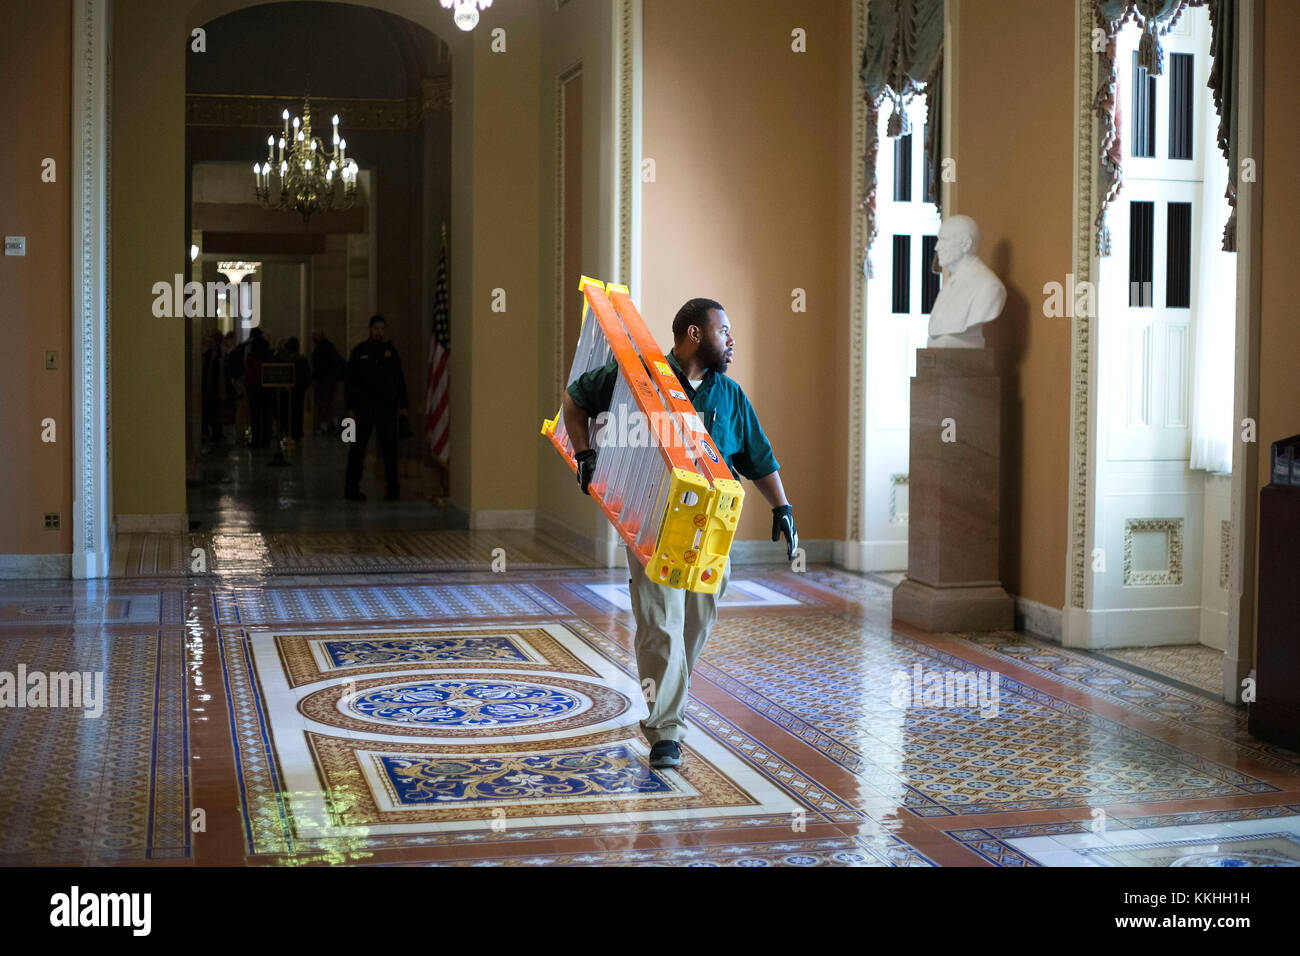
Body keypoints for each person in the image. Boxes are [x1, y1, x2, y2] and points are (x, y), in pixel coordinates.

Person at [560, 297, 798, 769]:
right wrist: (585, 453)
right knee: (659, 621)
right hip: (651, 519)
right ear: (694, 334)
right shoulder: (638, 375)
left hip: (711, 530)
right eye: (723, 330)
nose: (732, 340)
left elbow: (759, 457)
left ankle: (671, 697)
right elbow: (574, 399)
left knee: (693, 621)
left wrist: (783, 507)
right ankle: (666, 729)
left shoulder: (728, 395)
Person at [343, 315, 409, 501]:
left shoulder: (390, 352)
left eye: (382, 329)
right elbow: (350, 382)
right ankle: (351, 489)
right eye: (376, 328)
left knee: (389, 450)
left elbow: (399, 380)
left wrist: (403, 405)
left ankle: (393, 489)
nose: (379, 332)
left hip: (386, 409)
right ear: (370, 329)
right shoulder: (359, 351)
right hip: (362, 408)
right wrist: (349, 408)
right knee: (357, 449)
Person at [311, 330, 345, 434]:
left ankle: (325, 426)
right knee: (328, 404)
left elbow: (317, 366)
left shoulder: (320, 349)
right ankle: (332, 425)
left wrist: (313, 379)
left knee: (322, 404)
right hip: (332, 380)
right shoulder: (330, 347)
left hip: (323, 380)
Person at [243, 328, 273, 448]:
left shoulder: (251, 356)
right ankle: (266, 440)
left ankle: (255, 439)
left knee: (255, 415)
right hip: (266, 387)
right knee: (266, 414)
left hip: (253, 387)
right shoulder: (267, 356)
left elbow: (248, 373)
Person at [278, 337, 312, 441]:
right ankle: (297, 432)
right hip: (300, 389)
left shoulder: (287, 359)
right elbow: (307, 374)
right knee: (298, 410)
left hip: (289, 389)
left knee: (288, 411)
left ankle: (288, 431)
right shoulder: (302, 358)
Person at [200, 330, 225, 442]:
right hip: (208, 388)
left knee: (216, 412)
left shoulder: (221, 355)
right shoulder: (207, 354)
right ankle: (208, 433)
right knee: (207, 412)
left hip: (216, 388)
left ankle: (216, 434)